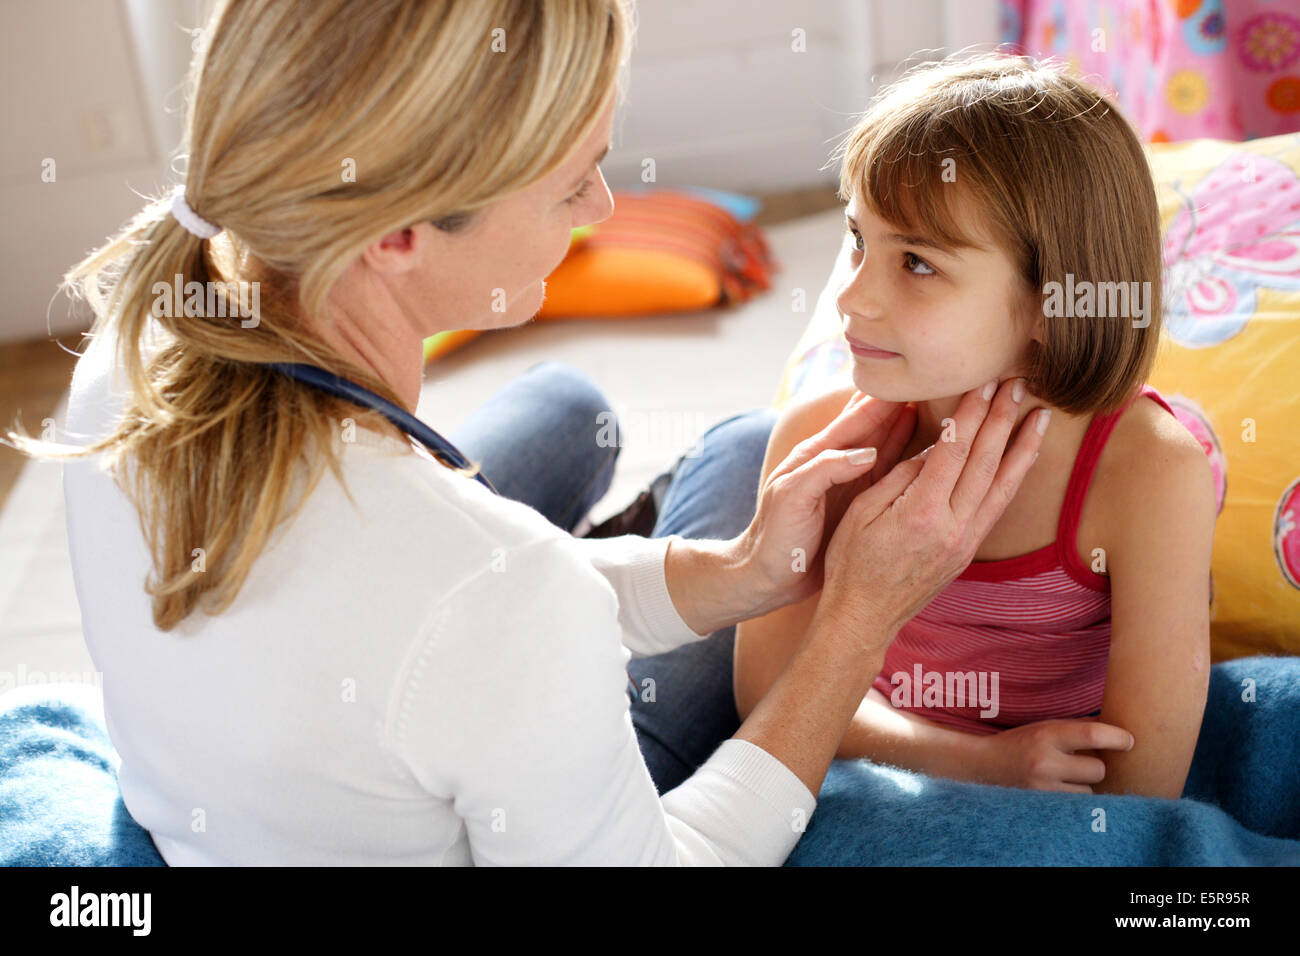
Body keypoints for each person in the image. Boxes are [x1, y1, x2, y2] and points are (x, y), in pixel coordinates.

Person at [3, 1, 1043, 865]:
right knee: (737, 450)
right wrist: (857, 619)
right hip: (473, 664)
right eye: (568, 179)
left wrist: (734, 572)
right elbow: (487, 609)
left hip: (307, 732)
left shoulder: (148, 326)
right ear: (401, 235)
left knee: (561, 408)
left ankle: (665, 535)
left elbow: (464, 602)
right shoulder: (492, 592)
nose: (598, 205)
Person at [731, 54, 1216, 799]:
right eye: (858, 241)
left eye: (917, 263)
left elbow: (1143, 789)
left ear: (1057, 303)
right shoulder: (818, 440)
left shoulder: (1151, 471)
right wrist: (975, 763)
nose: (851, 298)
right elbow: (766, 701)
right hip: (887, 774)